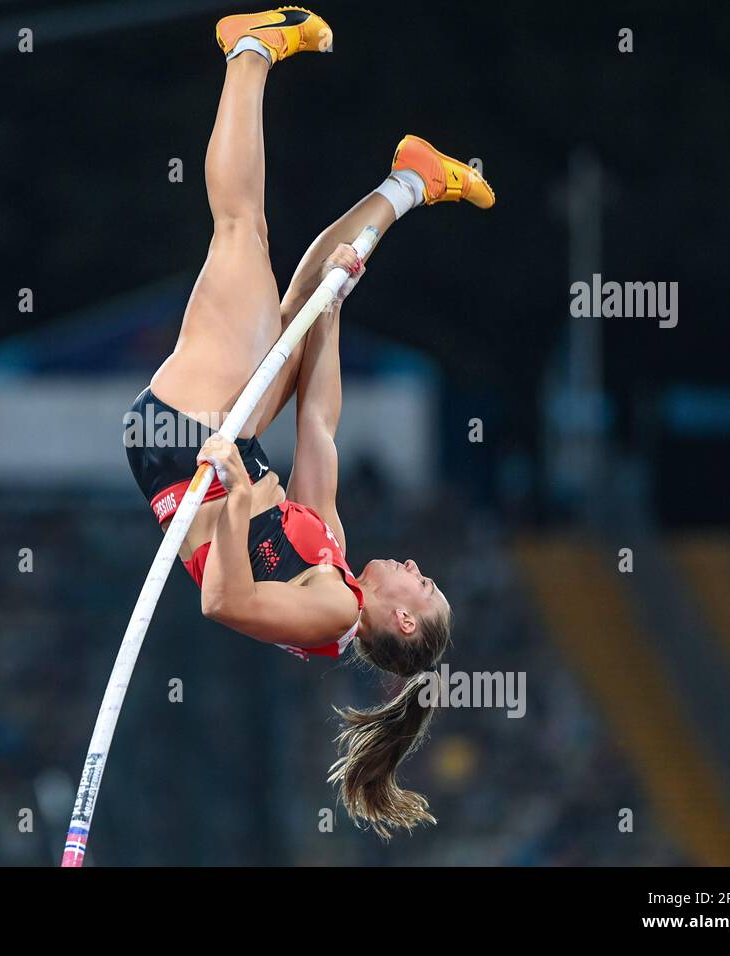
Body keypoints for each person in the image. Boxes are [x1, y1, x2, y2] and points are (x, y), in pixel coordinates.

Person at [123, 7, 494, 837]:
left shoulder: (328, 617)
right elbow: (319, 427)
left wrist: (227, 492)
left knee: (239, 230)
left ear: (402, 620)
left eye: (422, 587)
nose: (417, 569)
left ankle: (248, 49)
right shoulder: (333, 560)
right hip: (220, 439)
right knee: (310, 283)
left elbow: (224, 599)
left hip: (186, 442)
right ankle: (410, 182)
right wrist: (329, 311)